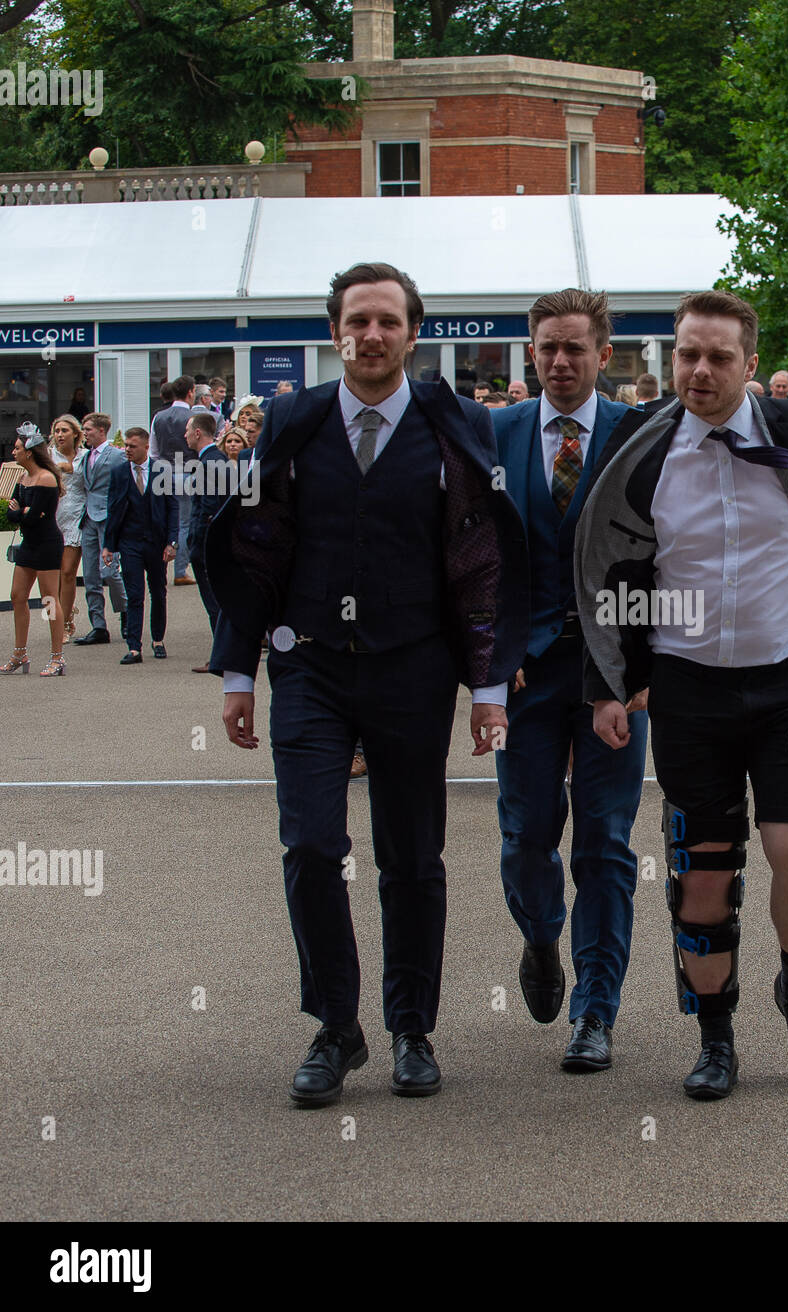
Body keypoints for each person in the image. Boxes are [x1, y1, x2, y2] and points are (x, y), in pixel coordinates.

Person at [575, 289, 788, 1100]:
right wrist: (608, 685)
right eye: (687, 354)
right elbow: (606, 563)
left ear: (751, 365)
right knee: (703, 872)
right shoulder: (641, 444)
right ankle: (715, 1034)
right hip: (688, 686)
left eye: (718, 356)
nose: (699, 370)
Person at [207, 261, 529, 1107]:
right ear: (335, 332)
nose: (374, 335)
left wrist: (488, 684)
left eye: (389, 321)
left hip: (413, 667)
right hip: (308, 661)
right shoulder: (292, 418)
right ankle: (336, 1026)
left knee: (412, 857)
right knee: (311, 845)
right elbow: (253, 551)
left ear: (413, 333)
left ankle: (411, 1026)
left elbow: (483, 554)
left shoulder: (456, 422)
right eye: (359, 321)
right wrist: (239, 669)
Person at [490, 288, 647, 1074]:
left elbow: (664, 552)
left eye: (575, 348)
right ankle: (542, 933)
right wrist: (489, 653)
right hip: (523, 674)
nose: (559, 361)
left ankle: (596, 1011)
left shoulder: (638, 434)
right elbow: (473, 549)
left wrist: (640, 665)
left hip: (613, 673)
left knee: (606, 843)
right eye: (547, 347)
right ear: (530, 351)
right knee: (524, 836)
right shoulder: (497, 431)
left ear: (603, 355)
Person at [103, 426, 178, 665]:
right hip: (130, 542)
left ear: (146, 447)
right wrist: (108, 545)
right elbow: (113, 509)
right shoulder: (119, 473)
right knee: (134, 594)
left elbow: (173, 507)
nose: (127, 450)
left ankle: (158, 639)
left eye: (132, 446)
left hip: (156, 542)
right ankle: (134, 647)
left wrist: (172, 542)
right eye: (126, 445)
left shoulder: (161, 471)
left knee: (158, 591)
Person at [2, 423, 67, 676]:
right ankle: (20, 652)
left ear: (29, 451)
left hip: (48, 544)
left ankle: (57, 657)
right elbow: (13, 514)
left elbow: (33, 517)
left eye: (17, 448)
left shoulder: (46, 478)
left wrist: (21, 512)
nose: (13, 453)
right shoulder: (22, 478)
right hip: (28, 544)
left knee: (50, 600)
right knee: (17, 596)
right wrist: (21, 512)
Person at [71, 412, 128, 646]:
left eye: (88, 429)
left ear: (102, 431)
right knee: (90, 576)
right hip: (88, 519)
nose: (85, 433)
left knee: (109, 571)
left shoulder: (117, 456)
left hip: (108, 518)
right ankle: (98, 626)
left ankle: (125, 612)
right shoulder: (85, 457)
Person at [183, 410, 226, 671]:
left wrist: (196, 542)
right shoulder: (213, 459)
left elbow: (208, 509)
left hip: (207, 544)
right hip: (211, 541)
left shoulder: (209, 462)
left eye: (188, 430)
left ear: (198, 433)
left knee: (214, 602)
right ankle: (221, 654)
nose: (185, 435)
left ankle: (221, 656)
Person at [149, 374, 196, 585]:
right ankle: (180, 571)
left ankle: (160, 567)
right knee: (184, 523)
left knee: (165, 520)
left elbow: (154, 451)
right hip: (187, 471)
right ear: (190, 392)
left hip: (164, 472)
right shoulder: (193, 418)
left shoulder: (158, 417)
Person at [50, 414, 86, 641]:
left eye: (64, 430)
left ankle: (65, 623)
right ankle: (53, 619)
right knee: (51, 576)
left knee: (67, 572)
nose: (60, 435)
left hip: (77, 516)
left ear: (75, 434)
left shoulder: (86, 456)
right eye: (57, 431)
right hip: (52, 516)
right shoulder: (47, 455)